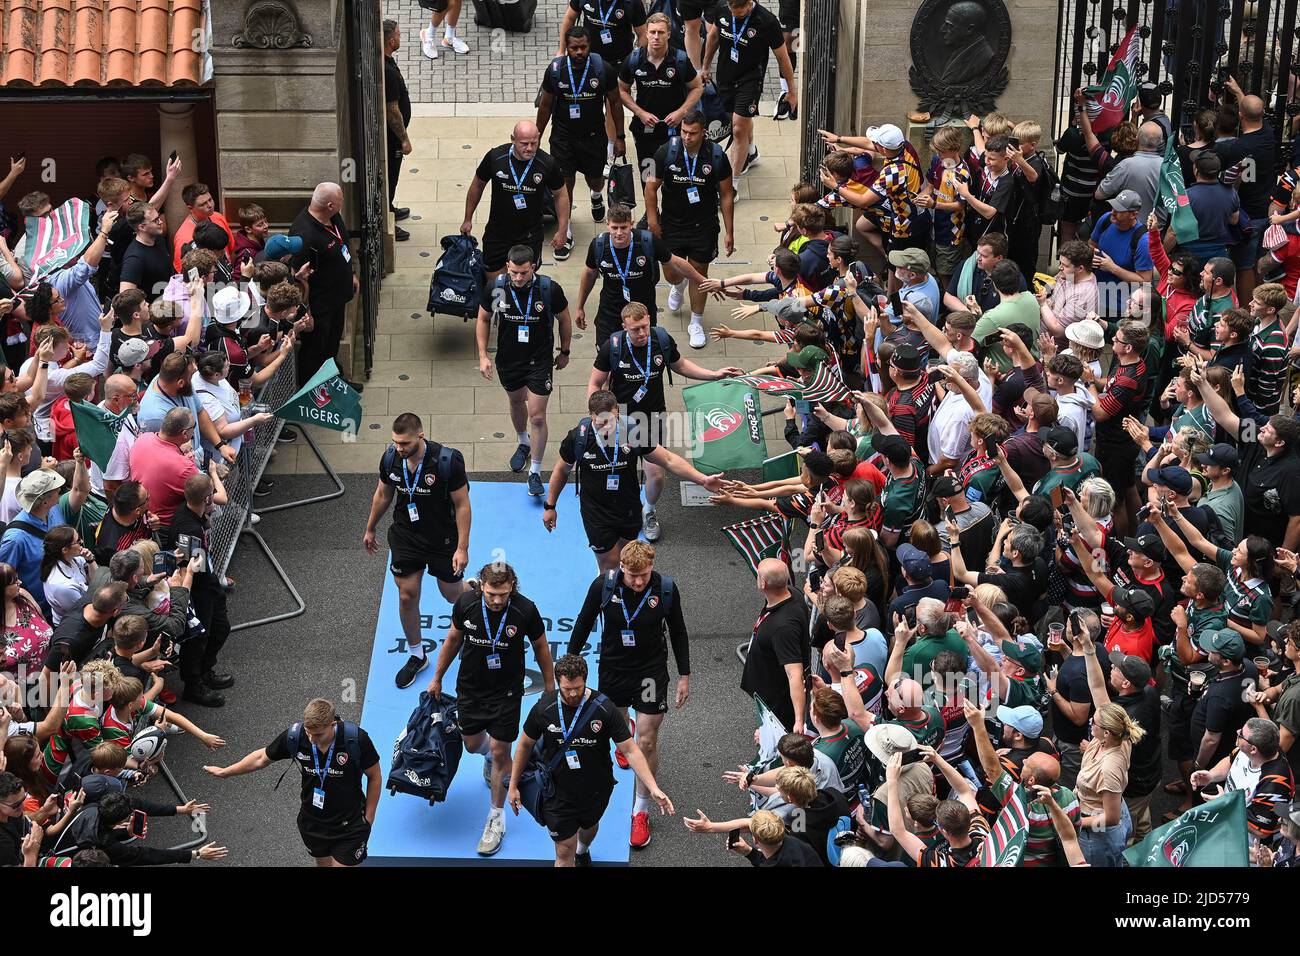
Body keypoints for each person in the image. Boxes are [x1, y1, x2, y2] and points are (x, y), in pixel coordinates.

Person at [427, 563, 555, 857]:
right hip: (471, 689)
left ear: (513, 587)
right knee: (472, 744)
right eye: (491, 594)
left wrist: (549, 689)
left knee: (501, 753)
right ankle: (489, 755)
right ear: (481, 587)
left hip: (507, 693)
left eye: (503, 594)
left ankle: (496, 818)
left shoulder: (525, 610)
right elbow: (453, 639)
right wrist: (437, 677)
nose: (497, 600)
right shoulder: (466, 604)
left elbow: (541, 647)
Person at [567, 541, 687, 848]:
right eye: (633, 575)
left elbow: (678, 632)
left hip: (650, 672)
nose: (638, 581)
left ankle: (640, 811)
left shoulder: (665, 590)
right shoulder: (603, 587)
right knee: (619, 725)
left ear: (651, 567)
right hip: (614, 669)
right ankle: (625, 736)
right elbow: (584, 621)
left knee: (646, 741)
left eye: (644, 575)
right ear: (621, 567)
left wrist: (684, 675)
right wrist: (569, 663)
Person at [588, 302, 741, 541]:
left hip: (652, 417)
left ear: (649, 319)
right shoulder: (614, 346)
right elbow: (595, 383)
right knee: (617, 471)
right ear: (624, 327)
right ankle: (618, 511)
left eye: (644, 326)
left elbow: (680, 365)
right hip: (620, 420)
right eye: (635, 329)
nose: (641, 333)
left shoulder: (661, 340)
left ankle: (648, 510)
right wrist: (599, 416)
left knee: (657, 476)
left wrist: (713, 375)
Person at [508, 653, 674, 866]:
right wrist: (513, 785)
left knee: (589, 827)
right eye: (567, 689)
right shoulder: (544, 708)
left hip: (596, 787)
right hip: (557, 793)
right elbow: (524, 745)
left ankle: (583, 850)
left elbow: (630, 750)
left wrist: (653, 787)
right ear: (558, 683)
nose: (573, 693)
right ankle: (573, 853)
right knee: (563, 851)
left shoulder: (604, 708)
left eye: (578, 687)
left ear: (586, 680)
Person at [545, 390, 725, 570]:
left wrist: (702, 480)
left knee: (628, 559)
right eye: (600, 422)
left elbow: (668, 459)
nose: (606, 427)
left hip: (628, 507)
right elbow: (561, 470)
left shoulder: (633, 432)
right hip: (596, 512)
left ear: (617, 410)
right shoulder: (578, 437)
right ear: (591, 415)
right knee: (609, 565)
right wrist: (550, 506)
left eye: (610, 420)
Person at [204, 698, 380, 867]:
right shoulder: (296, 736)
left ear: (332, 724)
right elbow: (261, 758)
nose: (312, 739)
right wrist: (226, 772)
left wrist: (369, 819)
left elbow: (375, 776)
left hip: (349, 826)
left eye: (318, 734)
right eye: (308, 732)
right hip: (312, 823)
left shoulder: (355, 739)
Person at [363, 413, 471, 689]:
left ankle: (474, 591)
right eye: (395, 442)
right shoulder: (391, 459)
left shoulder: (447, 461)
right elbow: (383, 495)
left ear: (420, 437)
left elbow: (462, 505)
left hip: (441, 538)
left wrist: (462, 548)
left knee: (452, 594)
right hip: (406, 536)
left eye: (405, 443)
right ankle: (417, 654)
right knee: (407, 594)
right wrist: (370, 528)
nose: (399, 448)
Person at [477, 245, 574, 496]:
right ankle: (523, 442)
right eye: (514, 273)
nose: (518, 278)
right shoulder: (498, 288)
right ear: (507, 267)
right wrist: (483, 355)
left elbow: (564, 319)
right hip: (509, 360)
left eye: (524, 273)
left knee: (537, 416)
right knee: (516, 401)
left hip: (539, 361)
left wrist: (564, 351)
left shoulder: (548, 289)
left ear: (533, 267)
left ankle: (535, 472)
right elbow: (484, 318)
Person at [644, 110, 737, 347]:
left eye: (693, 133)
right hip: (672, 224)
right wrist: (653, 222)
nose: (687, 137)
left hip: (704, 226)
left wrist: (729, 231)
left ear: (703, 132)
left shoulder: (717, 155)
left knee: (699, 273)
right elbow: (650, 187)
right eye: (684, 132)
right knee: (672, 273)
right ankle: (678, 286)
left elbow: (726, 194)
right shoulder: (665, 152)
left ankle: (696, 322)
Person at [537, 27, 626, 258]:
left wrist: (619, 137)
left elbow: (615, 103)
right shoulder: (556, 71)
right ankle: (565, 232)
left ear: (590, 46)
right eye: (574, 48)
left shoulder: (602, 69)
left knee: (595, 180)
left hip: (593, 137)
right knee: (564, 183)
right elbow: (545, 105)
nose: (579, 52)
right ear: (566, 48)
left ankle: (596, 196)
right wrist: (536, 136)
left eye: (583, 47)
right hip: (563, 137)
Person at [576, 204, 704, 349]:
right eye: (614, 228)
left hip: (642, 313)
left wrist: (703, 281)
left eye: (623, 227)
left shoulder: (647, 242)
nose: (619, 233)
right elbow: (589, 273)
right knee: (607, 354)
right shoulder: (599, 245)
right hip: (610, 314)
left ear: (631, 224)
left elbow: (676, 263)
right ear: (607, 225)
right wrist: (580, 307)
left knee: (642, 355)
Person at [700, 1, 795, 186]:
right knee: (738, 120)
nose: (734, 17)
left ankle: (732, 184)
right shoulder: (722, 8)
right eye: (732, 13)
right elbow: (713, 37)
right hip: (726, 76)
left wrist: (791, 91)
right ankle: (751, 153)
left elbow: (783, 58)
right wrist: (705, 66)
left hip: (751, 80)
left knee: (738, 129)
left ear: (749, 5)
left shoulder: (767, 21)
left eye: (740, 15)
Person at [463, 121, 571, 276]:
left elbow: (561, 194)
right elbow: (477, 185)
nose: (530, 148)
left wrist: (562, 230)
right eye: (524, 144)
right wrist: (468, 218)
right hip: (497, 233)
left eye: (534, 143)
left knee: (522, 279)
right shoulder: (496, 157)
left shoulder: (546, 163)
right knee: (495, 282)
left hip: (529, 235)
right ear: (513, 139)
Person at [166, 473, 234, 701]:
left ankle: (206, 671)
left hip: (209, 585)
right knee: (198, 639)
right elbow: (192, 567)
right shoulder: (188, 529)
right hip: (198, 591)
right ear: (206, 498)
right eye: (212, 493)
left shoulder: (193, 515)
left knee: (221, 628)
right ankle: (193, 685)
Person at [289, 183, 361, 390]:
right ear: (329, 205)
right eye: (340, 201)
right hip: (320, 306)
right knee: (315, 350)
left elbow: (343, 242)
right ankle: (311, 391)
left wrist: (351, 273)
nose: (342, 203)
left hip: (337, 298)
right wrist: (307, 312)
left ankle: (334, 380)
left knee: (331, 344)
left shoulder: (333, 216)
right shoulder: (304, 235)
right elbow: (298, 279)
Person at [619, 12, 703, 188]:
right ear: (646, 33)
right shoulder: (634, 59)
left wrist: (681, 112)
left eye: (661, 32)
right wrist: (640, 113)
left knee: (675, 178)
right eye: (653, 32)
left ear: (668, 34)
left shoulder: (680, 60)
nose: (656, 37)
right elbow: (621, 90)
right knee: (648, 178)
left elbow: (697, 87)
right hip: (646, 131)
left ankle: (672, 204)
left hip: (674, 130)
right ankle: (649, 207)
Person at [1192, 717, 1295, 848]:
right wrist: (1211, 775)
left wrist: (1225, 805)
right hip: (1229, 826)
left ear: (1253, 749)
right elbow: (1231, 760)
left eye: (1241, 734)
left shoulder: (1275, 783)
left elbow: (1261, 831)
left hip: (1249, 847)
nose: (1237, 731)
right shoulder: (1255, 750)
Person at [740, 558, 809, 734]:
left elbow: (794, 674)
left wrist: (798, 721)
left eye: (759, 575)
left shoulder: (782, 628)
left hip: (777, 697)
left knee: (776, 738)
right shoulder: (791, 593)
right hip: (767, 681)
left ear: (763, 583)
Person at [382, 20, 413, 243]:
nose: (400, 38)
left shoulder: (387, 62)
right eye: (399, 35)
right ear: (391, 40)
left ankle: (389, 207)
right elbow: (392, 110)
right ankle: (386, 218)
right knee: (390, 177)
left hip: (394, 136)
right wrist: (404, 139)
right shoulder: (387, 71)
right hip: (392, 139)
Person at [559, 0, 648, 73]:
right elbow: (569, 18)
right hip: (588, 57)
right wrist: (561, 51)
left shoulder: (632, 2)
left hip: (620, 61)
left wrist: (638, 62)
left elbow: (643, 34)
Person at [38, 526, 93, 627]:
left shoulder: (73, 559)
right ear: (65, 549)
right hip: (75, 625)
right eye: (78, 541)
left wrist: (90, 560)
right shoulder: (63, 586)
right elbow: (86, 613)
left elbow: (95, 578)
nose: (82, 542)